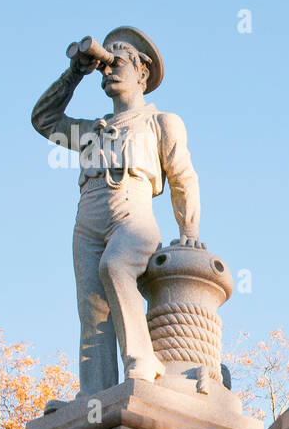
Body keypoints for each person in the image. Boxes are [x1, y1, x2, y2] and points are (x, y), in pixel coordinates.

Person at [32, 26, 201, 396]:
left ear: (142, 71)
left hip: (132, 211)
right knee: (92, 310)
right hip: (87, 218)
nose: (107, 71)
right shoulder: (94, 130)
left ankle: (142, 361)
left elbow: (183, 176)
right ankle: (94, 395)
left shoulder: (161, 122)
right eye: (104, 65)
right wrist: (75, 71)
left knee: (116, 266)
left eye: (116, 62)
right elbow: (44, 121)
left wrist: (189, 230)